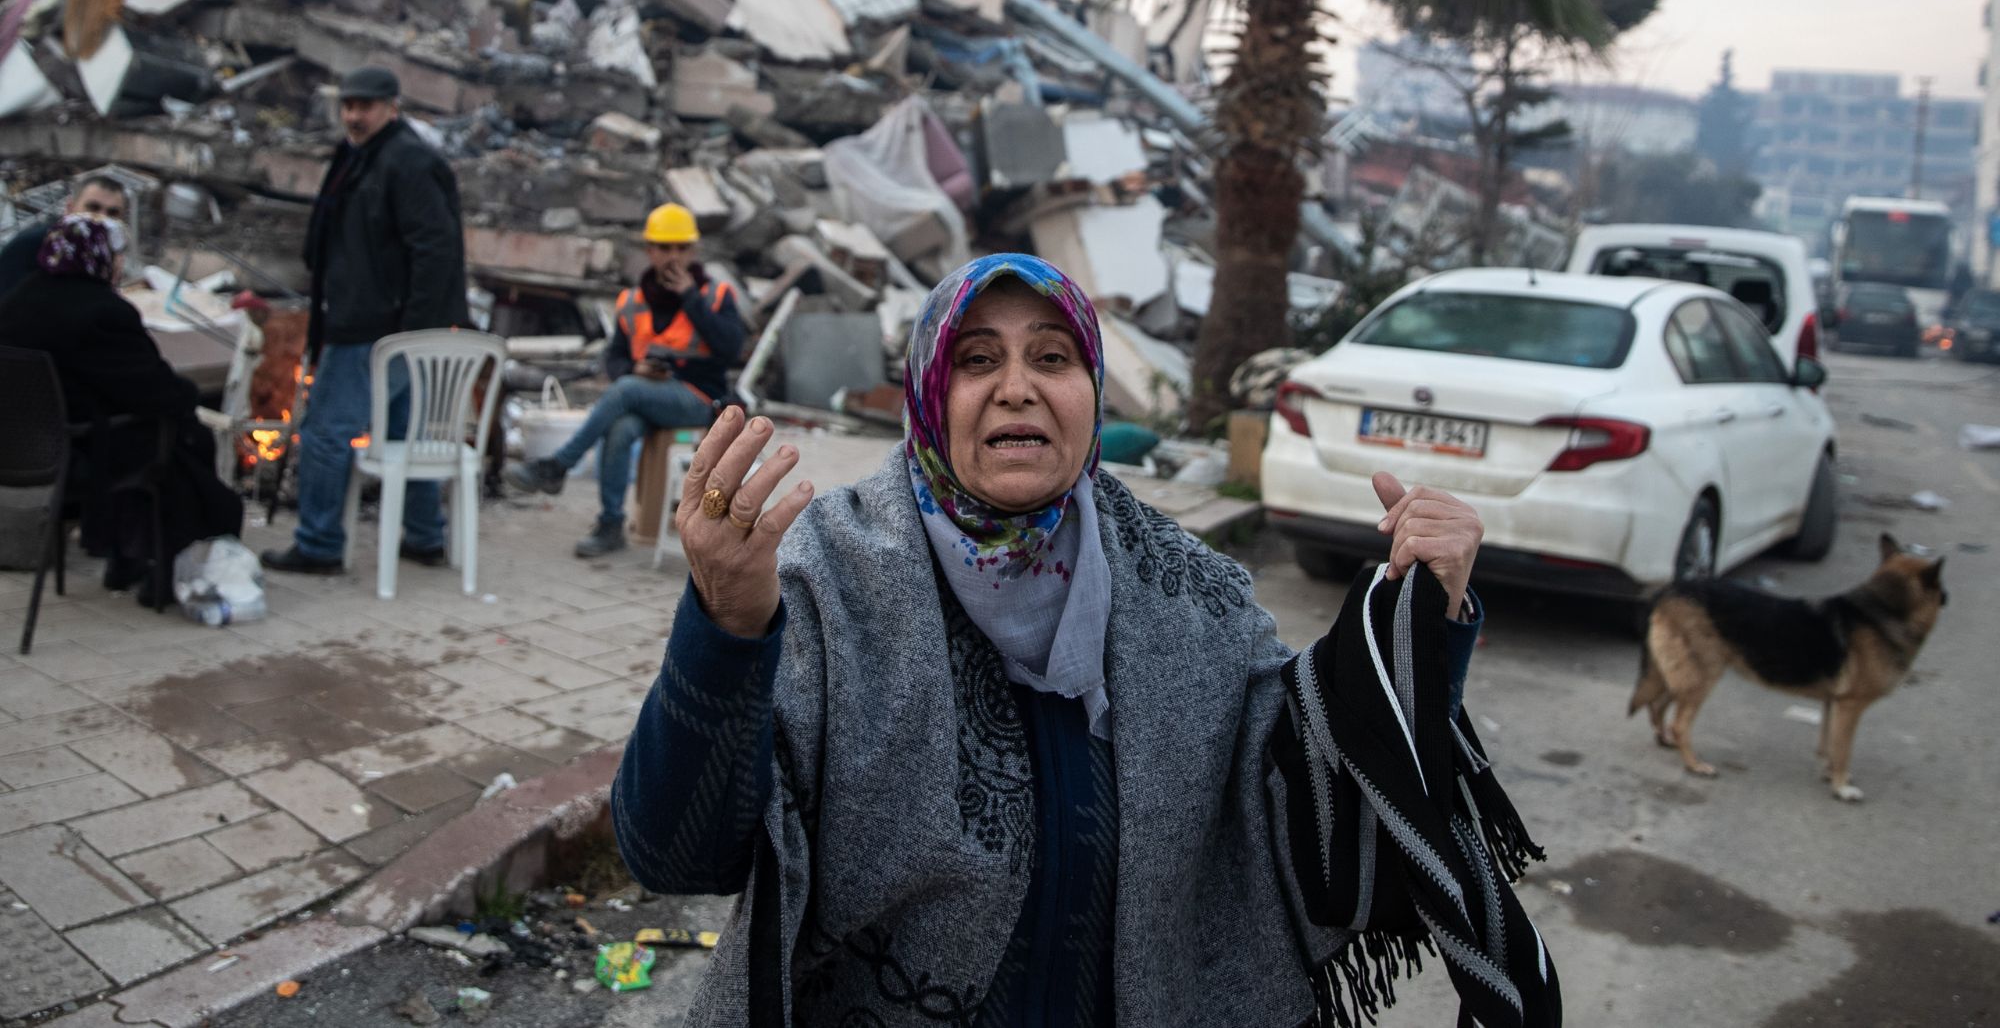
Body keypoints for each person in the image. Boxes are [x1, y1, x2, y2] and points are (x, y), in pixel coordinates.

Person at [611, 254, 1560, 1026]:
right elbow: (675, 856)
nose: (1017, 388)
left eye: (1054, 358)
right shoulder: (826, 575)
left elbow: (1308, 796)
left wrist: (1415, 624)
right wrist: (727, 627)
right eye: (978, 359)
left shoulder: (1187, 589)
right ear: (930, 391)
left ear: (1092, 393)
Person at [262, 65, 470, 576]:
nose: (354, 116)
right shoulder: (361, 156)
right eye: (348, 106)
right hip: (374, 323)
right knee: (406, 433)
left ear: (391, 108)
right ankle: (424, 537)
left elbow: (435, 248)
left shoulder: (406, 161)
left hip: (376, 329)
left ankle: (318, 544)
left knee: (328, 431)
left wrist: (411, 333)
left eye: (365, 107)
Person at [0, 215, 242, 605]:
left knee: (151, 431)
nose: (118, 266)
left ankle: (126, 556)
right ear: (96, 255)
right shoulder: (103, 311)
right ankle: (161, 568)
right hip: (77, 454)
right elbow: (153, 388)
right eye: (115, 256)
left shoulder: (17, 301)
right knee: (182, 439)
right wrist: (188, 395)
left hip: (19, 449)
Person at [505, 202, 746, 558]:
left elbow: (731, 350)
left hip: (699, 400)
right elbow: (614, 358)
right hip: (647, 397)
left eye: (681, 248)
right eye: (664, 248)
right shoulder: (632, 301)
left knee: (627, 391)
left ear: (694, 251)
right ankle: (610, 523)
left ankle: (557, 466)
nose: (673, 257)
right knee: (621, 427)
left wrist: (690, 298)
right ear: (649, 250)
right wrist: (636, 370)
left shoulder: (714, 296)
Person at [0, 175, 128, 303]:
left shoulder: (110, 251)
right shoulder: (33, 246)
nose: (101, 218)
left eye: (112, 213)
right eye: (93, 208)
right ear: (70, 208)